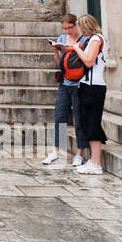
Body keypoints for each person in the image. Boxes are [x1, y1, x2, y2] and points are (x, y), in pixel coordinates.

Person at [42, 13, 82, 166]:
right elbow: (60, 63)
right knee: (60, 117)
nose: (68, 31)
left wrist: (74, 49)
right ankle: (56, 151)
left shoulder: (84, 39)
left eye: (70, 28)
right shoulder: (62, 38)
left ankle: (79, 153)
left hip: (79, 84)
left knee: (79, 118)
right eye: (65, 28)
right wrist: (55, 51)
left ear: (76, 25)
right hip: (65, 83)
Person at [70, 14, 108, 176]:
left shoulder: (96, 39)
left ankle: (96, 164)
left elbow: (89, 61)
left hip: (94, 87)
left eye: (82, 27)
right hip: (87, 86)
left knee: (92, 123)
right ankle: (93, 161)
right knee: (88, 123)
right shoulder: (92, 39)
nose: (80, 31)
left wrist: (76, 47)